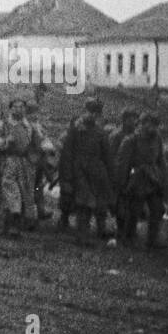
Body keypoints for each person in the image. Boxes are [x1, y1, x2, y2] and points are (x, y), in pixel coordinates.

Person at [59, 98, 115, 242]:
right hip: (79, 171)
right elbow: (67, 154)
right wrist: (67, 176)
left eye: (95, 113)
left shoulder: (100, 132)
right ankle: (82, 235)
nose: (92, 115)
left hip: (97, 172)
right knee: (83, 203)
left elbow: (107, 155)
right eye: (90, 111)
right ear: (85, 111)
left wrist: (110, 175)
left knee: (99, 202)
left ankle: (98, 231)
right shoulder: (76, 129)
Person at [0, 98, 39, 236]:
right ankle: (8, 227)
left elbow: (37, 142)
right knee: (10, 194)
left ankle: (15, 228)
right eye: (15, 107)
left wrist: (37, 153)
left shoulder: (30, 126)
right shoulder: (3, 125)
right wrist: (4, 142)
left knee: (24, 194)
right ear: (10, 109)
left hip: (25, 164)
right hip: (7, 162)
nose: (18, 109)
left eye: (21, 107)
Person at [115, 112, 168, 248]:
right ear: (142, 124)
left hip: (153, 178)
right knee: (134, 210)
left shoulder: (157, 139)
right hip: (137, 178)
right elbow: (122, 164)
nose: (154, 128)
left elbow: (161, 161)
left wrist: (164, 180)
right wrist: (122, 184)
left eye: (156, 125)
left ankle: (153, 239)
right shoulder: (131, 140)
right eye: (151, 124)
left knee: (158, 209)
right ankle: (128, 236)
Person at [107, 109, 139, 235]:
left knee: (130, 202)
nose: (133, 122)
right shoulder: (116, 135)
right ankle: (120, 229)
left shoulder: (136, 136)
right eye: (130, 119)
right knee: (119, 202)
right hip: (119, 172)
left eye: (135, 119)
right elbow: (111, 155)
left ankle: (128, 230)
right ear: (124, 120)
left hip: (131, 172)